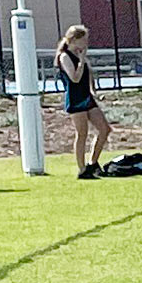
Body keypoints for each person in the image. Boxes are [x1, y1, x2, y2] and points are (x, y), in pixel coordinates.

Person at [55, 24, 111, 179]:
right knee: (82, 133)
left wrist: (94, 92)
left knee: (104, 129)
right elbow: (75, 78)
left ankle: (93, 162)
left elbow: (89, 75)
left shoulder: (82, 56)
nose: (86, 43)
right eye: (83, 40)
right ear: (74, 40)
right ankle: (82, 169)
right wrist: (80, 61)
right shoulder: (65, 56)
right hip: (75, 99)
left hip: (87, 97)